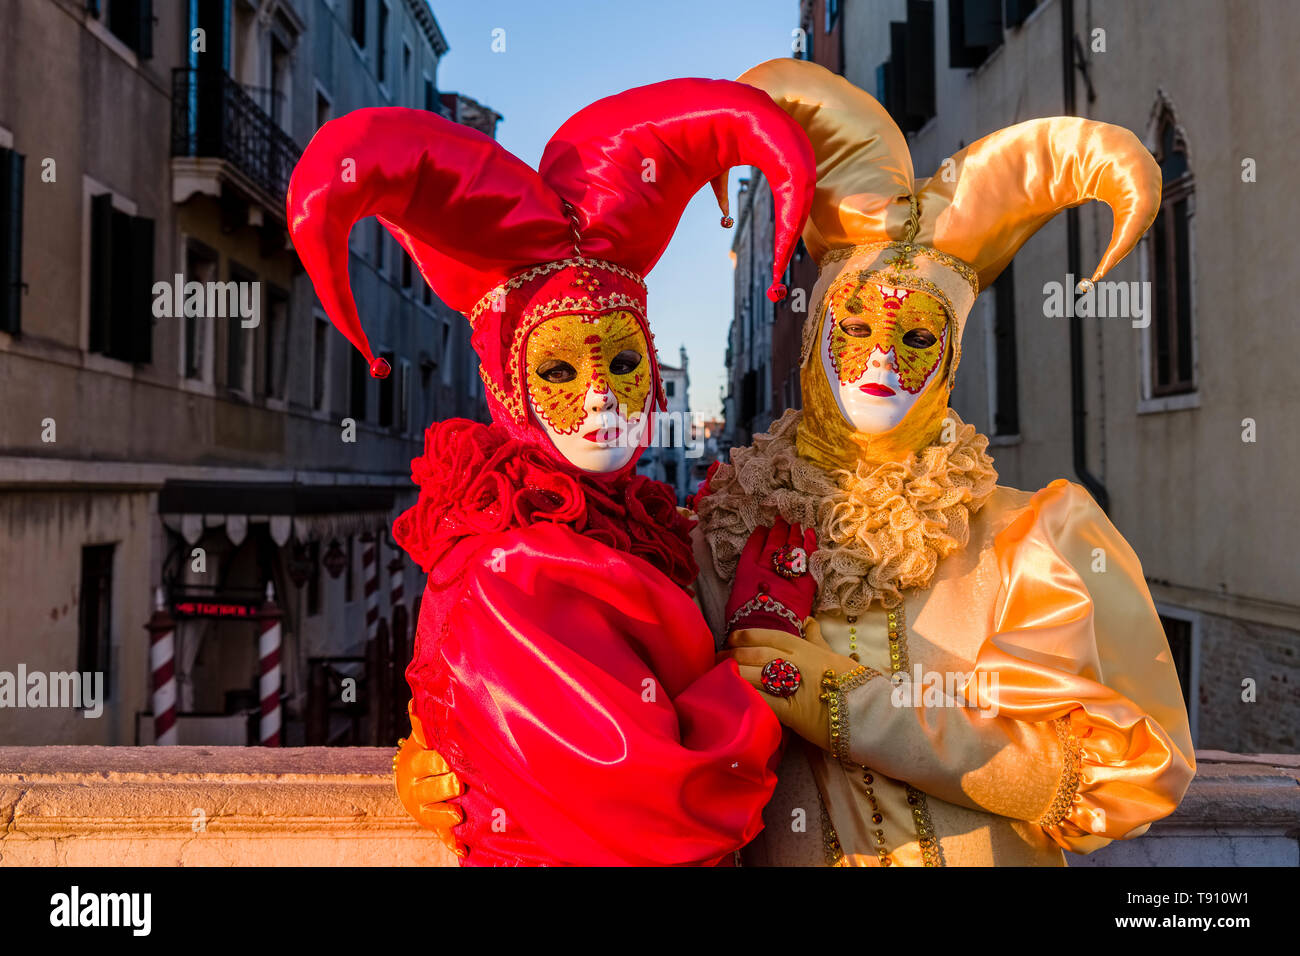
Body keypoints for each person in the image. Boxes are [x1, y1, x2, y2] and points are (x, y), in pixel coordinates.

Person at [286, 77, 818, 865]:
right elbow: (677, 801)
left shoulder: (611, 524)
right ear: (508, 384)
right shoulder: (514, 565)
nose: (602, 397)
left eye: (626, 361)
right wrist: (765, 647)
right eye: (562, 371)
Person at [694, 58, 1196, 866]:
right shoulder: (726, 535)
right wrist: (466, 744)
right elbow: (639, 729)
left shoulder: (1031, 539)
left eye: (917, 337)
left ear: (953, 354)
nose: (879, 362)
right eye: (853, 330)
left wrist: (827, 697)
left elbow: (1099, 778)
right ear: (816, 334)